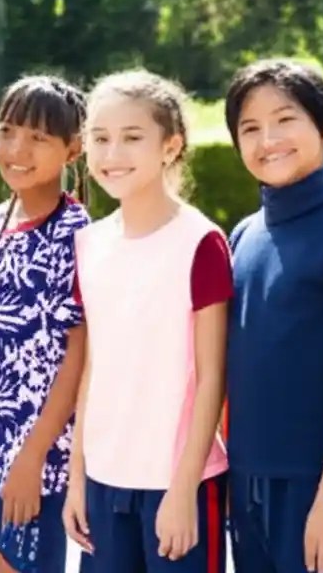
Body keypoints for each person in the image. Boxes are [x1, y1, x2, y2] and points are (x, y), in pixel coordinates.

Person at [62, 70, 230, 572]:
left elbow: (211, 378)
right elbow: (94, 367)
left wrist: (182, 491)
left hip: (181, 483)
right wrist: (77, 480)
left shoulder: (200, 242)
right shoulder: (89, 244)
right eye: (100, 138)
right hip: (105, 481)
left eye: (132, 138)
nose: (113, 154)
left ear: (170, 146)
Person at [223, 60, 323, 573]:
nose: (267, 139)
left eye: (285, 119)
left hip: (322, 486)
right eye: (249, 128)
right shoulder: (242, 236)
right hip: (247, 486)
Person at [0, 76, 90, 573]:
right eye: (8, 130)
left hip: (42, 456)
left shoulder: (75, 235)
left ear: (72, 150)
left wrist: (33, 457)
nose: (17, 149)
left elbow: (78, 356)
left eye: (38, 138)